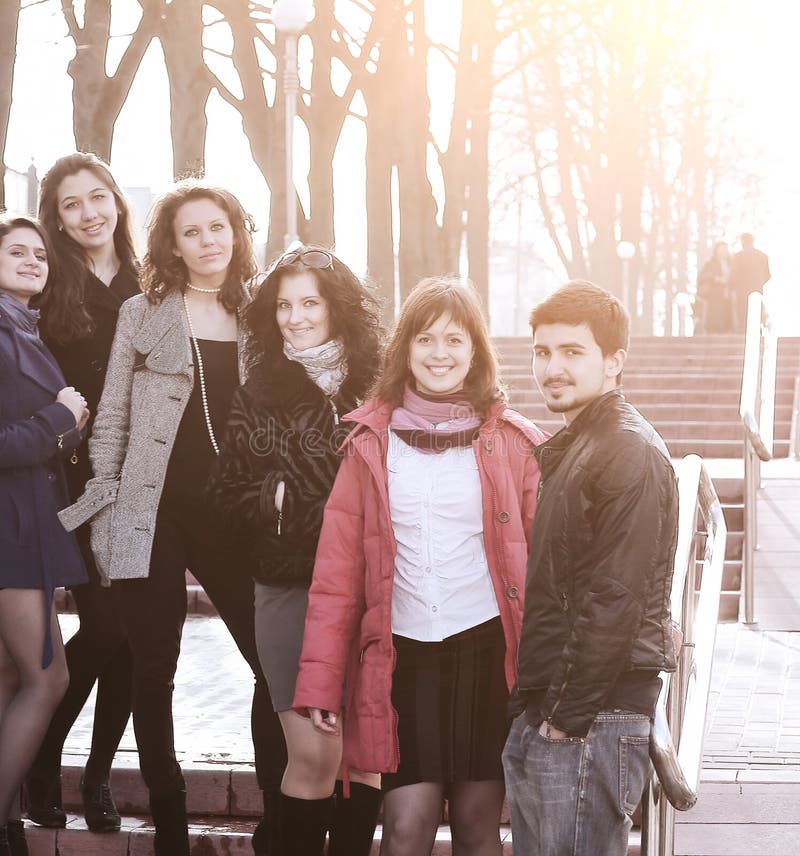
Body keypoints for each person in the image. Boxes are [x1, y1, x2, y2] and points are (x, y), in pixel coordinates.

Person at [58, 182, 286, 855]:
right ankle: (171, 822)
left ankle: (279, 811)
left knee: (271, 664)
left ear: (237, 233)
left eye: (220, 226)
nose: (209, 240)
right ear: (173, 244)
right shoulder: (144, 311)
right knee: (154, 669)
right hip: (149, 510)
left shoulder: (263, 316)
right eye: (193, 231)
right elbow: (114, 419)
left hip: (234, 519)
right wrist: (103, 511)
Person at [293, 277, 546, 856]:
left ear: (476, 351)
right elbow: (335, 579)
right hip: (403, 658)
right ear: (404, 348)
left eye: (455, 340)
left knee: (479, 831)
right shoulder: (368, 443)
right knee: (406, 830)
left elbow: (547, 573)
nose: (439, 354)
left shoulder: (513, 444)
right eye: (425, 339)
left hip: (487, 653)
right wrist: (322, 684)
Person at [208, 246, 384, 856]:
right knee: (313, 753)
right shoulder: (263, 390)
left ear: (336, 307)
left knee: (365, 756)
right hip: (289, 585)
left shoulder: (380, 385)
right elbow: (225, 494)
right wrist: (271, 496)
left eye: (309, 302)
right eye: (284, 305)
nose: (296, 317)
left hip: (373, 588)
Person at [502, 281, 679, 856]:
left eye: (572, 352)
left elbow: (616, 597)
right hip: (561, 709)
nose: (553, 367)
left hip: (590, 716)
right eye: (542, 352)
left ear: (614, 361)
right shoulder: (582, 444)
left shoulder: (627, 450)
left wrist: (563, 719)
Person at [25, 152, 139, 833]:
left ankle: (96, 778)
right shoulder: (49, 285)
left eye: (99, 197)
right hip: (78, 480)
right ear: (57, 220)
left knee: (131, 640)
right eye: (73, 204)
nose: (90, 212)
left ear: (118, 201)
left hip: (145, 484)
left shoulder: (150, 280)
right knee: (108, 626)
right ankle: (41, 751)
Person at [0, 216, 89, 856]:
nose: (34, 260)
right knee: (46, 680)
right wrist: (61, 418)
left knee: (11, 677)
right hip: (7, 528)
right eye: (15, 251)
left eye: (40, 253)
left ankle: (8, 820)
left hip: (27, 523)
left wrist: (68, 424)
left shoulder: (25, 329)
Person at [729, 232, 770, 330]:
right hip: (757, 290)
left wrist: (733, 287)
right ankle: (757, 331)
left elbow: (733, 275)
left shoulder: (737, 256)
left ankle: (743, 332)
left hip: (741, 291)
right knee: (756, 312)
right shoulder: (762, 256)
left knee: (743, 314)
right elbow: (767, 275)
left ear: (742, 242)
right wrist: (759, 283)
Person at [696, 241, 732, 334]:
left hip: (728, 295)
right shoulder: (711, 263)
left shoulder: (731, 263)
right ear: (716, 251)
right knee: (714, 318)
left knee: (727, 318)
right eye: (721, 249)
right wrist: (715, 278)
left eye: (725, 249)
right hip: (715, 296)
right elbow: (702, 276)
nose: (724, 252)